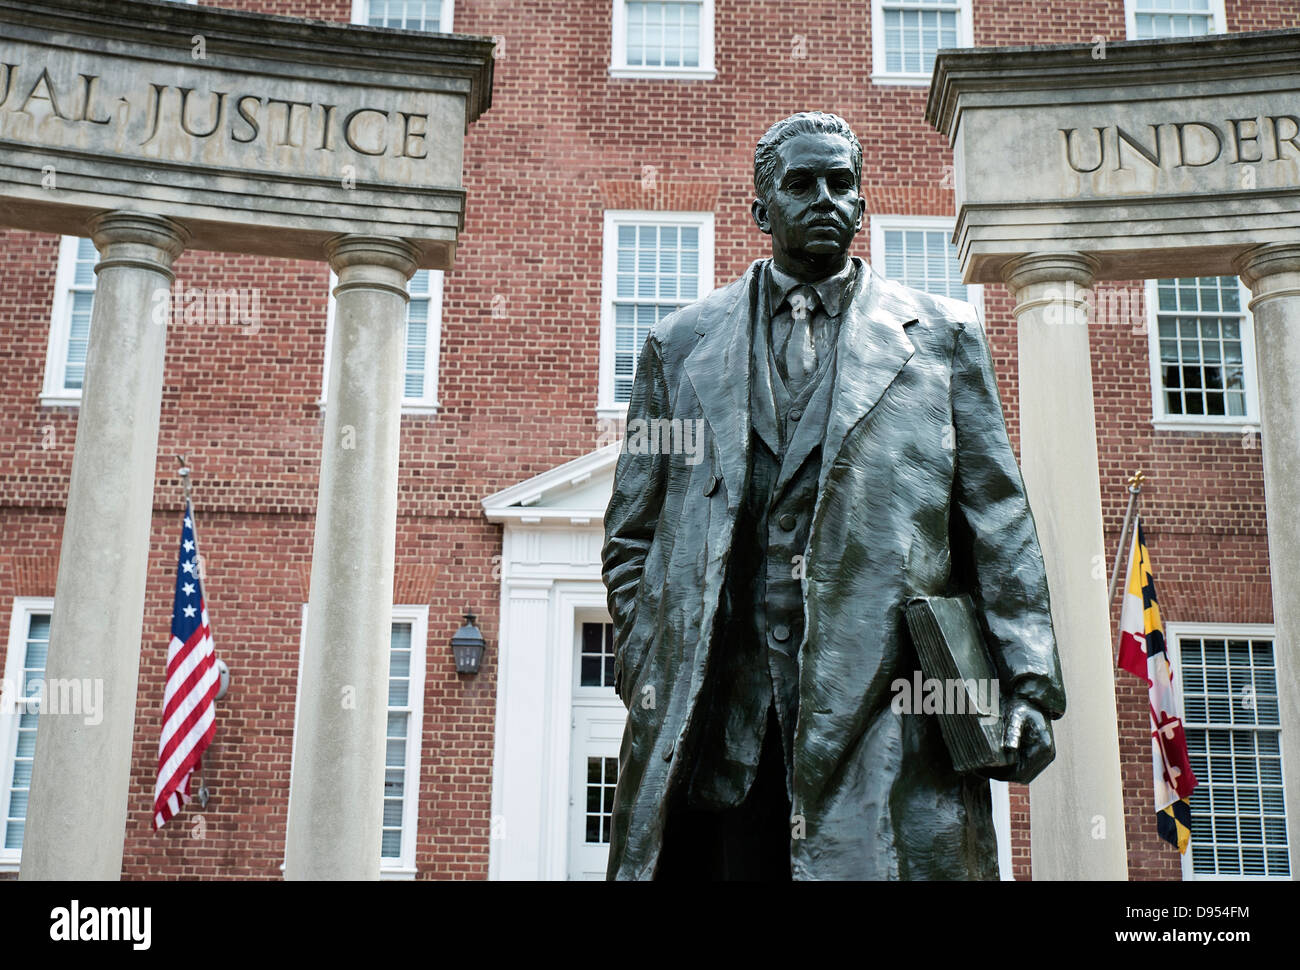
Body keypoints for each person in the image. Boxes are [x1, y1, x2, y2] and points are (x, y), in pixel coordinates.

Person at [601, 111, 1065, 881]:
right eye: (801, 184)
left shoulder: (942, 338)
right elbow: (633, 534)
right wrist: (652, 649)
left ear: (860, 202)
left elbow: (998, 521)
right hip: (722, 721)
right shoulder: (678, 345)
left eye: (841, 183)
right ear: (760, 211)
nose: (825, 198)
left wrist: (1027, 684)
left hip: (888, 708)